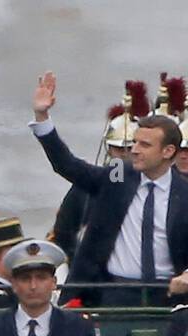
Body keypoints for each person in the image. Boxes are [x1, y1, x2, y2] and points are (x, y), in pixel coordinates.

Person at [30, 71, 188, 310]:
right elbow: (68, 166)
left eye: (144, 145)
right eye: (135, 142)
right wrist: (42, 117)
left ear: (168, 151)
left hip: (169, 296)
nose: (134, 150)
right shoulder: (118, 176)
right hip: (112, 293)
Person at [49, 83, 145, 261]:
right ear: (109, 149)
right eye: (118, 149)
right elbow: (63, 233)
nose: (124, 154)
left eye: (129, 148)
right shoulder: (85, 188)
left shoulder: (152, 185)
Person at [0, 238, 99, 336]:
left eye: (41, 278)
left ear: (54, 283)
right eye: (25, 279)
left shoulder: (78, 327)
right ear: (13, 284)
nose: (33, 286)